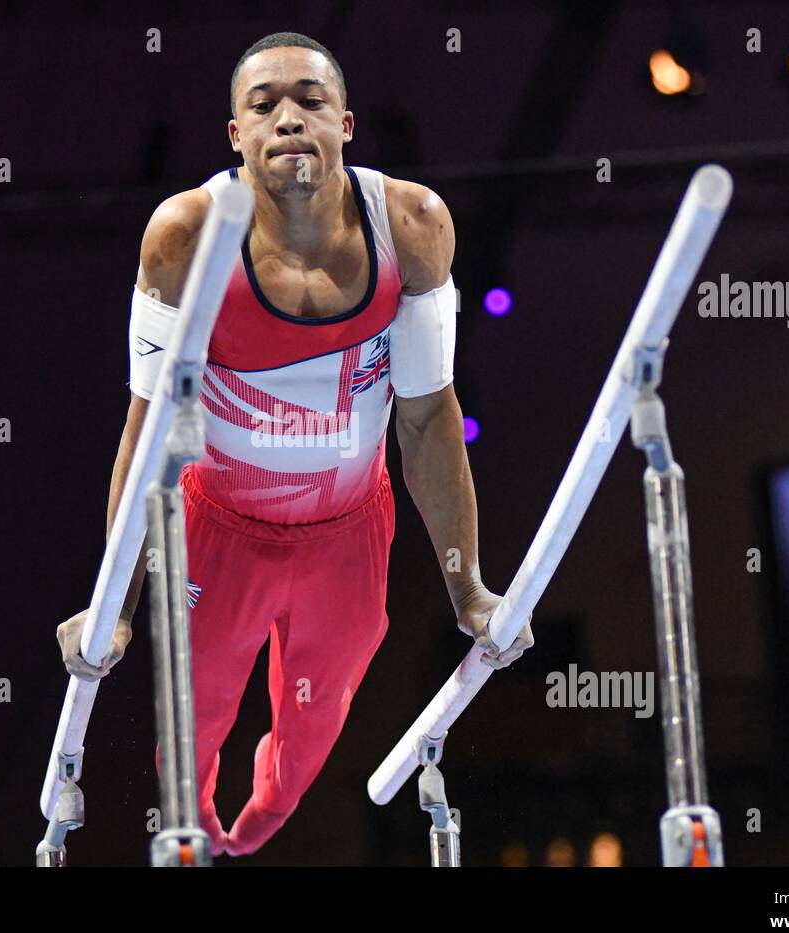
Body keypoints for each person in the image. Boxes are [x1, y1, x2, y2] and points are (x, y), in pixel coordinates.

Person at [57, 31, 533, 857]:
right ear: (234, 136)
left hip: (348, 535)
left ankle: (249, 837)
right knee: (192, 735)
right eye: (263, 104)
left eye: (308, 101)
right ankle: (196, 837)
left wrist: (470, 592)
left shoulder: (413, 226)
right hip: (216, 532)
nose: (287, 118)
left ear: (346, 125)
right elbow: (145, 431)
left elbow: (426, 418)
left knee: (307, 748)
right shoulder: (184, 237)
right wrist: (113, 609)